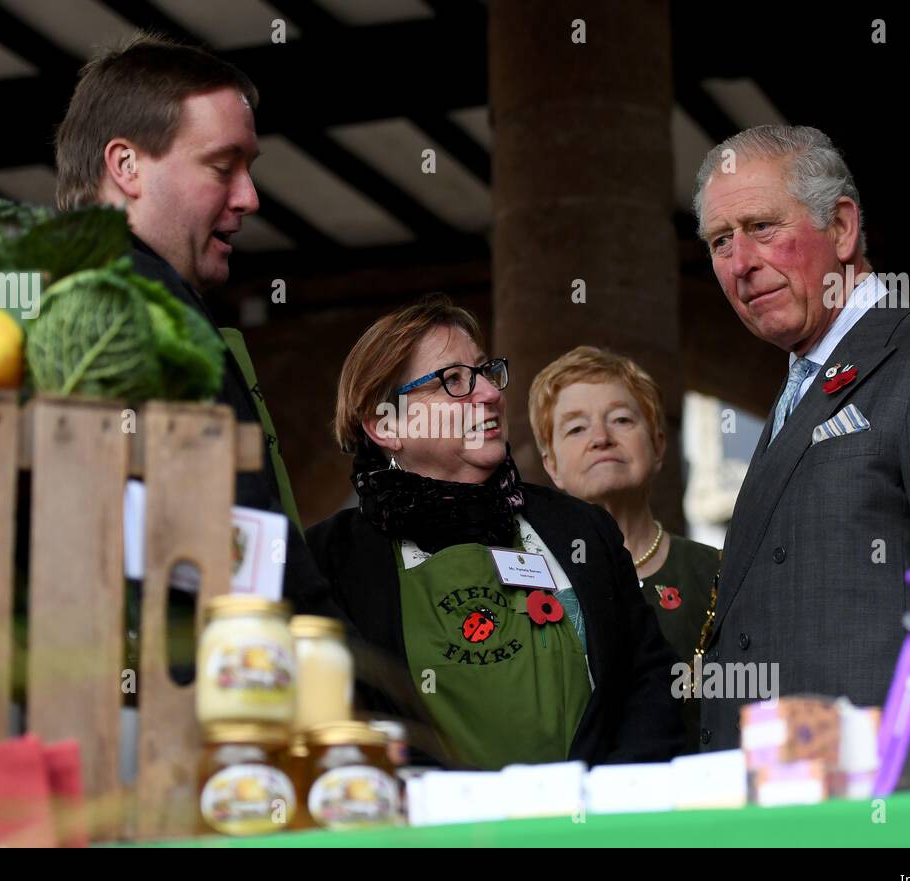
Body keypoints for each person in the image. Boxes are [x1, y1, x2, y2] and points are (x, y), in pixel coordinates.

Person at [692, 125, 910, 750]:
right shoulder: (801, 386)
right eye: (721, 241)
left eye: (763, 227)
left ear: (843, 227)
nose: (740, 263)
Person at [306, 295, 683, 769]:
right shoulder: (328, 562)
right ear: (386, 426)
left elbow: (646, 678)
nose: (489, 393)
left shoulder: (577, 528)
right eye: (454, 381)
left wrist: (613, 799)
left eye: (485, 372)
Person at [54, 32, 338, 618]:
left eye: (248, 169)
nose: (249, 197)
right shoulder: (139, 304)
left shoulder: (65, 298)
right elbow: (233, 547)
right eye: (221, 166)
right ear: (126, 166)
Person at [529, 346, 720, 751]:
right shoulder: (532, 582)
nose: (601, 438)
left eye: (621, 419)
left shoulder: (720, 572)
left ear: (658, 446)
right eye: (576, 428)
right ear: (551, 466)